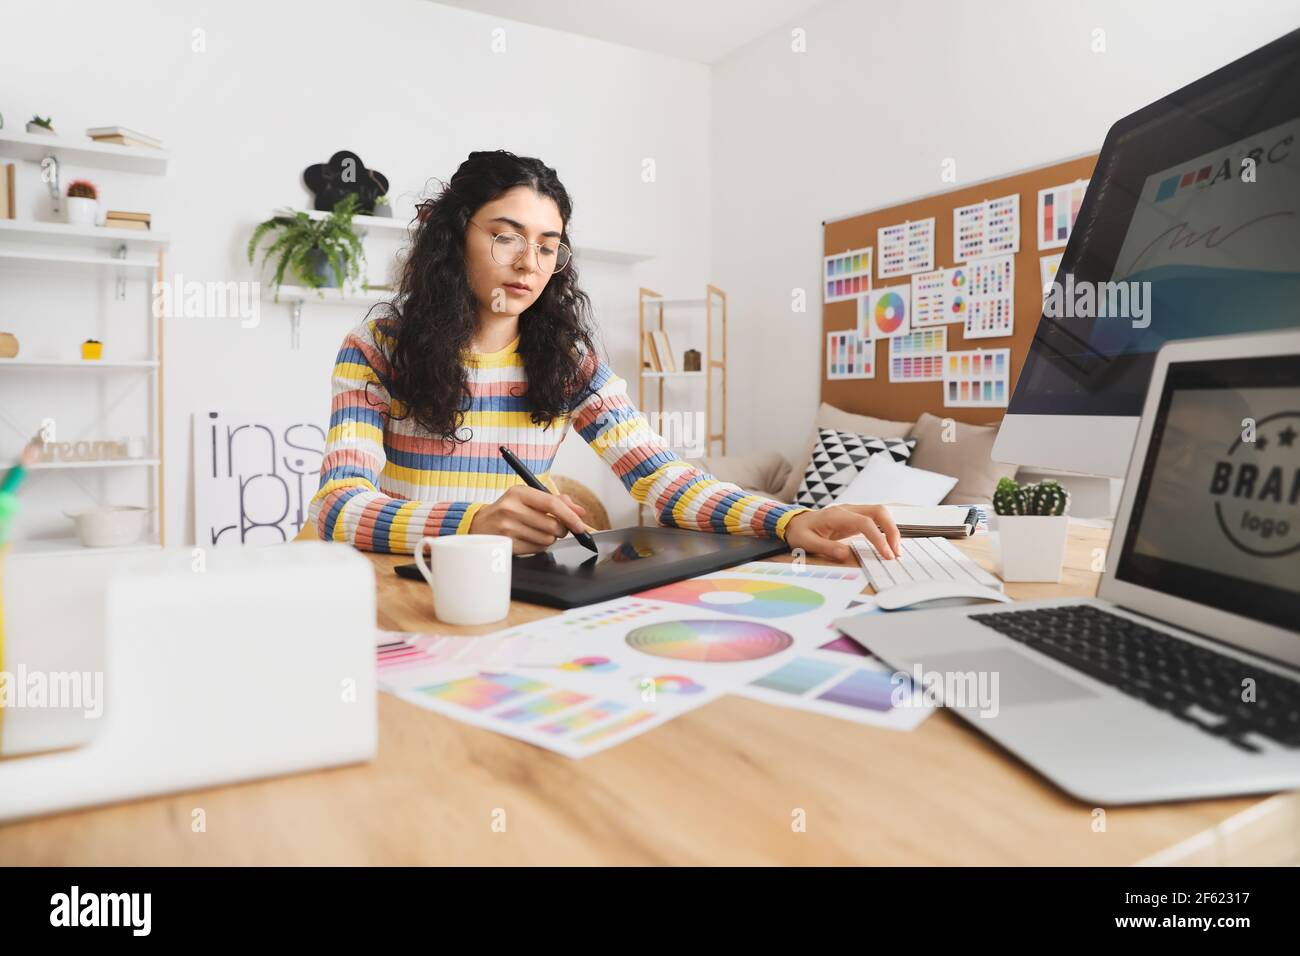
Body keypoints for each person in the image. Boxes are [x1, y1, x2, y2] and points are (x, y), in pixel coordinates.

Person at [308, 150, 900, 563]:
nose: (529, 264)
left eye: (548, 246)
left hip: (518, 589)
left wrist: (788, 520)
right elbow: (339, 506)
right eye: (506, 236)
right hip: (411, 578)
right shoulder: (378, 346)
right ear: (453, 235)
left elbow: (663, 480)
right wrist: (472, 524)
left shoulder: (567, 358)